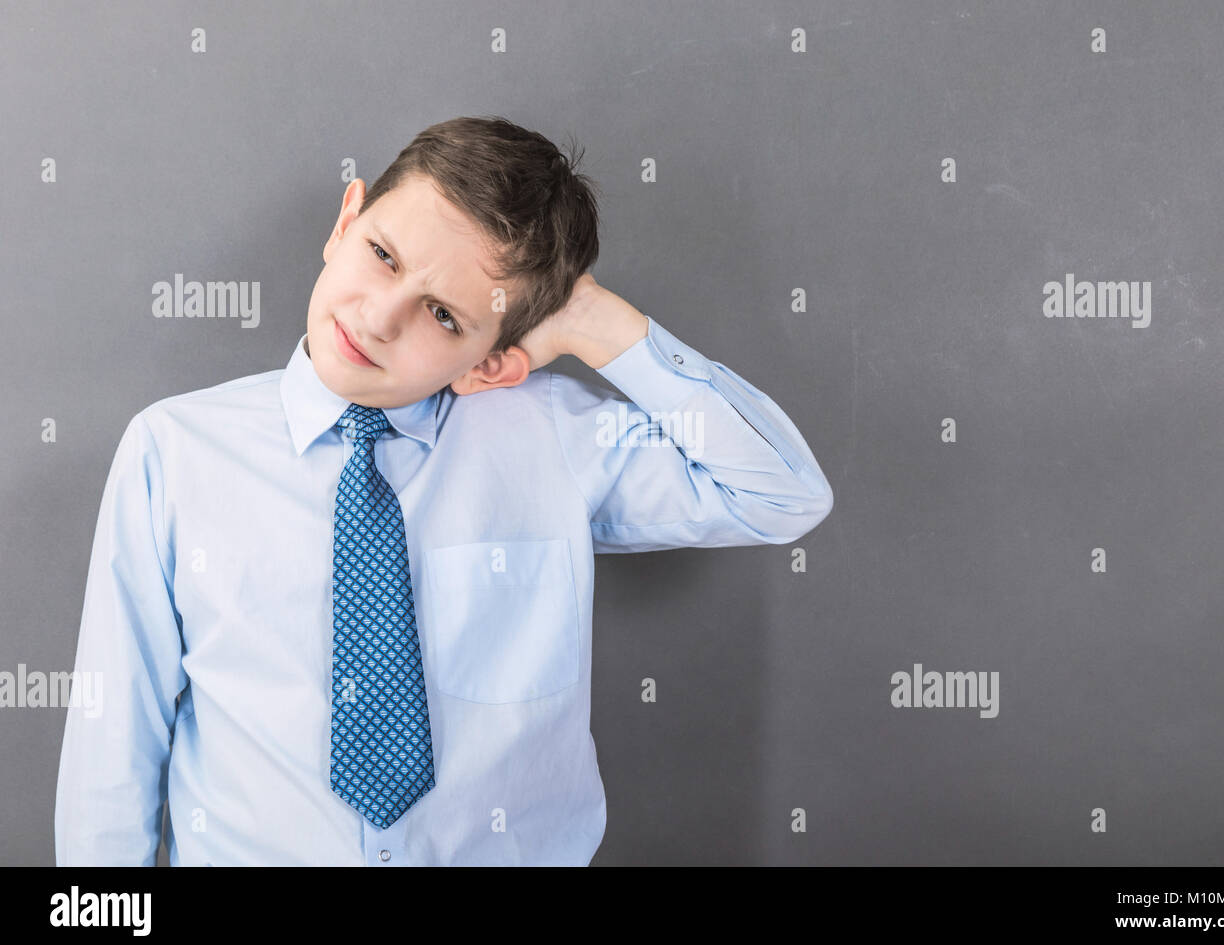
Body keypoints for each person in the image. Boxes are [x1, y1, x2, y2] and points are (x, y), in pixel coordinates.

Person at [54, 115, 834, 865]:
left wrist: (592, 321)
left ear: (494, 358)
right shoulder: (175, 450)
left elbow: (781, 492)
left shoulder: (554, 440)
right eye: (383, 255)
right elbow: (112, 743)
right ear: (346, 217)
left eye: (443, 314)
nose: (379, 318)